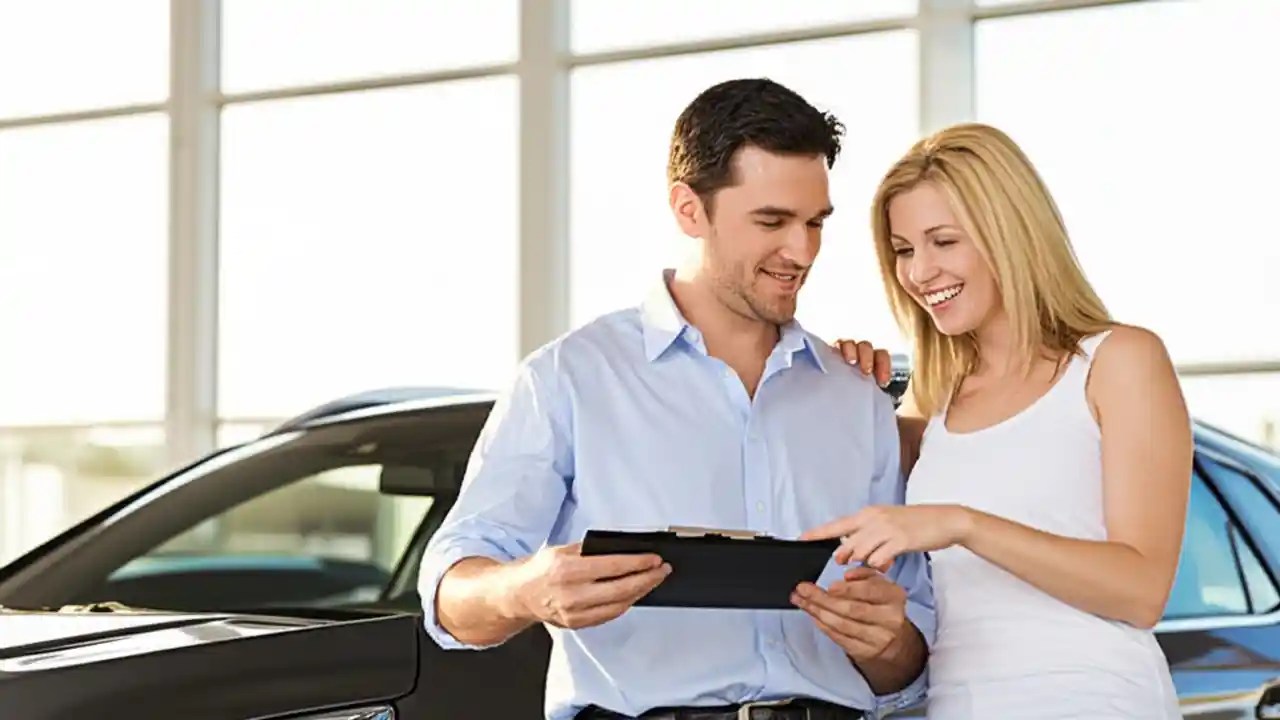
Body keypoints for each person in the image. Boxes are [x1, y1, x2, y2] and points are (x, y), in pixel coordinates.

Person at [417, 78, 935, 720]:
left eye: (815, 223)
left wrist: (892, 645)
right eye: (771, 221)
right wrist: (526, 589)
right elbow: (449, 598)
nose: (801, 252)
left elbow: (910, 658)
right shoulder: (569, 379)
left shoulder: (857, 396)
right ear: (689, 210)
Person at [814, 122, 1191, 718]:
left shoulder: (1116, 361)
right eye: (905, 250)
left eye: (943, 241)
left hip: (1093, 699)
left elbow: (1141, 591)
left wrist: (963, 523)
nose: (919, 272)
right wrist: (841, 383)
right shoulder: (936, 396)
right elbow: (830, 466)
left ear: (1008, 232)